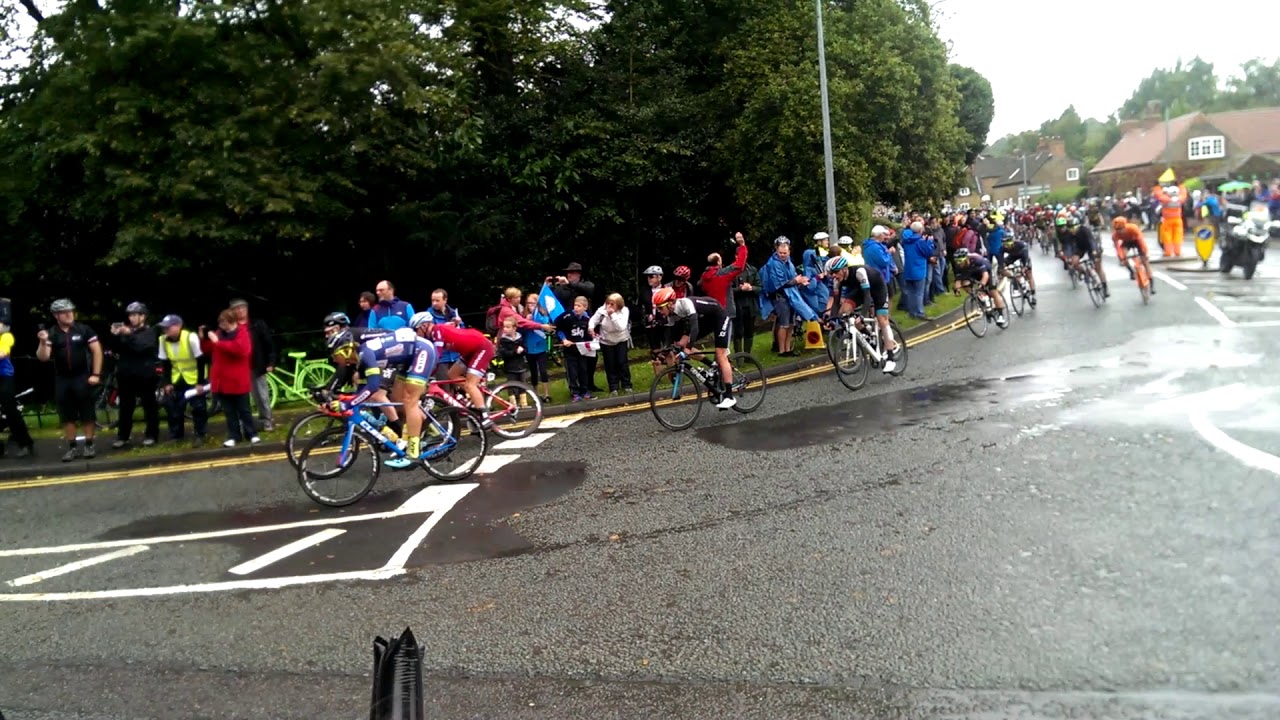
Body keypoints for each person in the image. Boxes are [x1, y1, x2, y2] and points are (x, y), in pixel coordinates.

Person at [337, 313, 439, 469]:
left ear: (346, 351)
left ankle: (414, 453)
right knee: (399, 403)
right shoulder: (361, 357)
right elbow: (364, 387)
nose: (337, 361)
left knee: (410, 401)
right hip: (406, 358)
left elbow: (372, 386)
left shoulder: (366, 353)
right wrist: (346, 399)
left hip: (421, 350)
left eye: (337, 357)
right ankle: (414, 432)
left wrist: (349, 403)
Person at [36, 299, 103, 461]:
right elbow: (43, 357)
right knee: (67, 415)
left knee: (87, 412)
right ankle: (72, 447)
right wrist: (43, 341)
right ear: (56, 315)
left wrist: (96, 374)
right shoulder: (52, 332)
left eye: (71, 311)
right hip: (63, 378)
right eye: (64, 312)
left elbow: (97, 350)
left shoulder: (83, 329)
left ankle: (89, 444)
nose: (69, 314)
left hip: (82, 376)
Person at [653, 287, 736, 409]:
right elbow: (669, 335)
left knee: (720, 354)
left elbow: (695, 329)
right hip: (707, 320)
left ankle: (729, 396)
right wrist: (664, 351)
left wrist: (687, 350)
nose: (659, 311)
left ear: (670, 303)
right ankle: (712, 364)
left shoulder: (686, 304)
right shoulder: (671, 314)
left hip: (720, 316)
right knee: (680, 344)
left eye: (660, 307)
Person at [819, 256, 901, 373]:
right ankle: (867, 334)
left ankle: (890, 358)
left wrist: (862, 315)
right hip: (860, 291)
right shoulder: (836, 281)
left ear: (845, 269)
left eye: (836, 272)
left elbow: (868, 297)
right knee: (844, 311)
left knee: (882, 319)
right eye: (831, 273)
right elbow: (836, 303)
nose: (834, 276)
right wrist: (832, 319)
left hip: (877, 288)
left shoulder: (859, 272)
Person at [427, 315, 497, 426]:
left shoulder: (436, 330)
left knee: (470, 385)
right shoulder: (438, 330)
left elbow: (437, 354)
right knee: (452, 374)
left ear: (423, 326)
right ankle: (475, 395)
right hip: (470, 351)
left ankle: (485, 416)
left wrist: (428, 372)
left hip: (482, 347)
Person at [109, 301, 160, 448]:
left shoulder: (149, 332)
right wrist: (114, 335)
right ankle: (123, 436)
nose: (131, 318)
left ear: (143, 317)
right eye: (130, 315)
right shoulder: (125, 331)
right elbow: (114, 349)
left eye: (135, 315)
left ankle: (151, 435)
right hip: (126, 375)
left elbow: (141, 348)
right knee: (125, 407)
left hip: (145, 375)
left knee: (149, 406)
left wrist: (129, 335)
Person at [206, 308, 259, 447]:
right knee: (229, 412)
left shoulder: (242, 333)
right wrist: (203, 339)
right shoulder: (219, 334)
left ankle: (251, 433)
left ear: (231, 322)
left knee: (244, 409)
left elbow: (240, 350)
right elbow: (207, 350)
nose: (220, 325)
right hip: (222, 380)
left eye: (223, 322)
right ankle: (234, 436)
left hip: (238, 380)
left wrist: (218, 343)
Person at [157, 314, 209, 447]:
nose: (165, 330)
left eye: (168, 327)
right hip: (176, 377)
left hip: (193, 377)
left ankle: (200, 435)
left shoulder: (190, 337)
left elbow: (200, 360)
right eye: (164, 328)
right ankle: (176, 435)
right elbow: (165, 363)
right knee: (173, 407)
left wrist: (199, 382)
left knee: (198, 407)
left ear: (179, 326)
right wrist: (167, 382)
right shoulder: (162, 340)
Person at [0, 314, 34, 458]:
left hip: (4, 377)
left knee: (10, 410)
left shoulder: (6, 337)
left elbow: (3, 353)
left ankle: (25, 443)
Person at [952, 249, 1009, 328]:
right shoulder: (959, 265)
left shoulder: (977, 260)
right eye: (957, 261)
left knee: (992, 291)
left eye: (961, 261)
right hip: (972, 272)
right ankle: (978, 298)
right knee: (965, 283)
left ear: (966, 258)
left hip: (986, 271)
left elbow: (985, 275)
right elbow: (958, 280)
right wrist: (956, 289)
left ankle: (1001, 316)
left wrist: (982, 284)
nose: (959, 263)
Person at [1063, 217, 1110, 297]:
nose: (1072, 230)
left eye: (1074, 227)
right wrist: (1069, 257)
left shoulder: (1084, 230)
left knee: (1098, 267)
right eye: (1070, 228)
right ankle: (1085, 273)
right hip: (1080, 248)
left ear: (1078, 226)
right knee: (1074, 263)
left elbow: (1091, 240)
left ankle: (1105, 287)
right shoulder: (1069, 234)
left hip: (1091, 247)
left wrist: (1094, 250)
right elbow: (1068, 247)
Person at [1111, 217, 1155, 295]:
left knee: (1145, 262)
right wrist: (1121, 258)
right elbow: (1117, 248)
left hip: (1136, 240)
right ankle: (1131, 271)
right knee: (1123, 255)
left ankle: (1152, 284)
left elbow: (1141, 242)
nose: (1120, 231)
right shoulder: (1115, 235)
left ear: (1125, 226)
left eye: (1121, 229)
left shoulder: (1133, 228)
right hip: (1127, 242)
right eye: (1117, 230)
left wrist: (1144, 253)